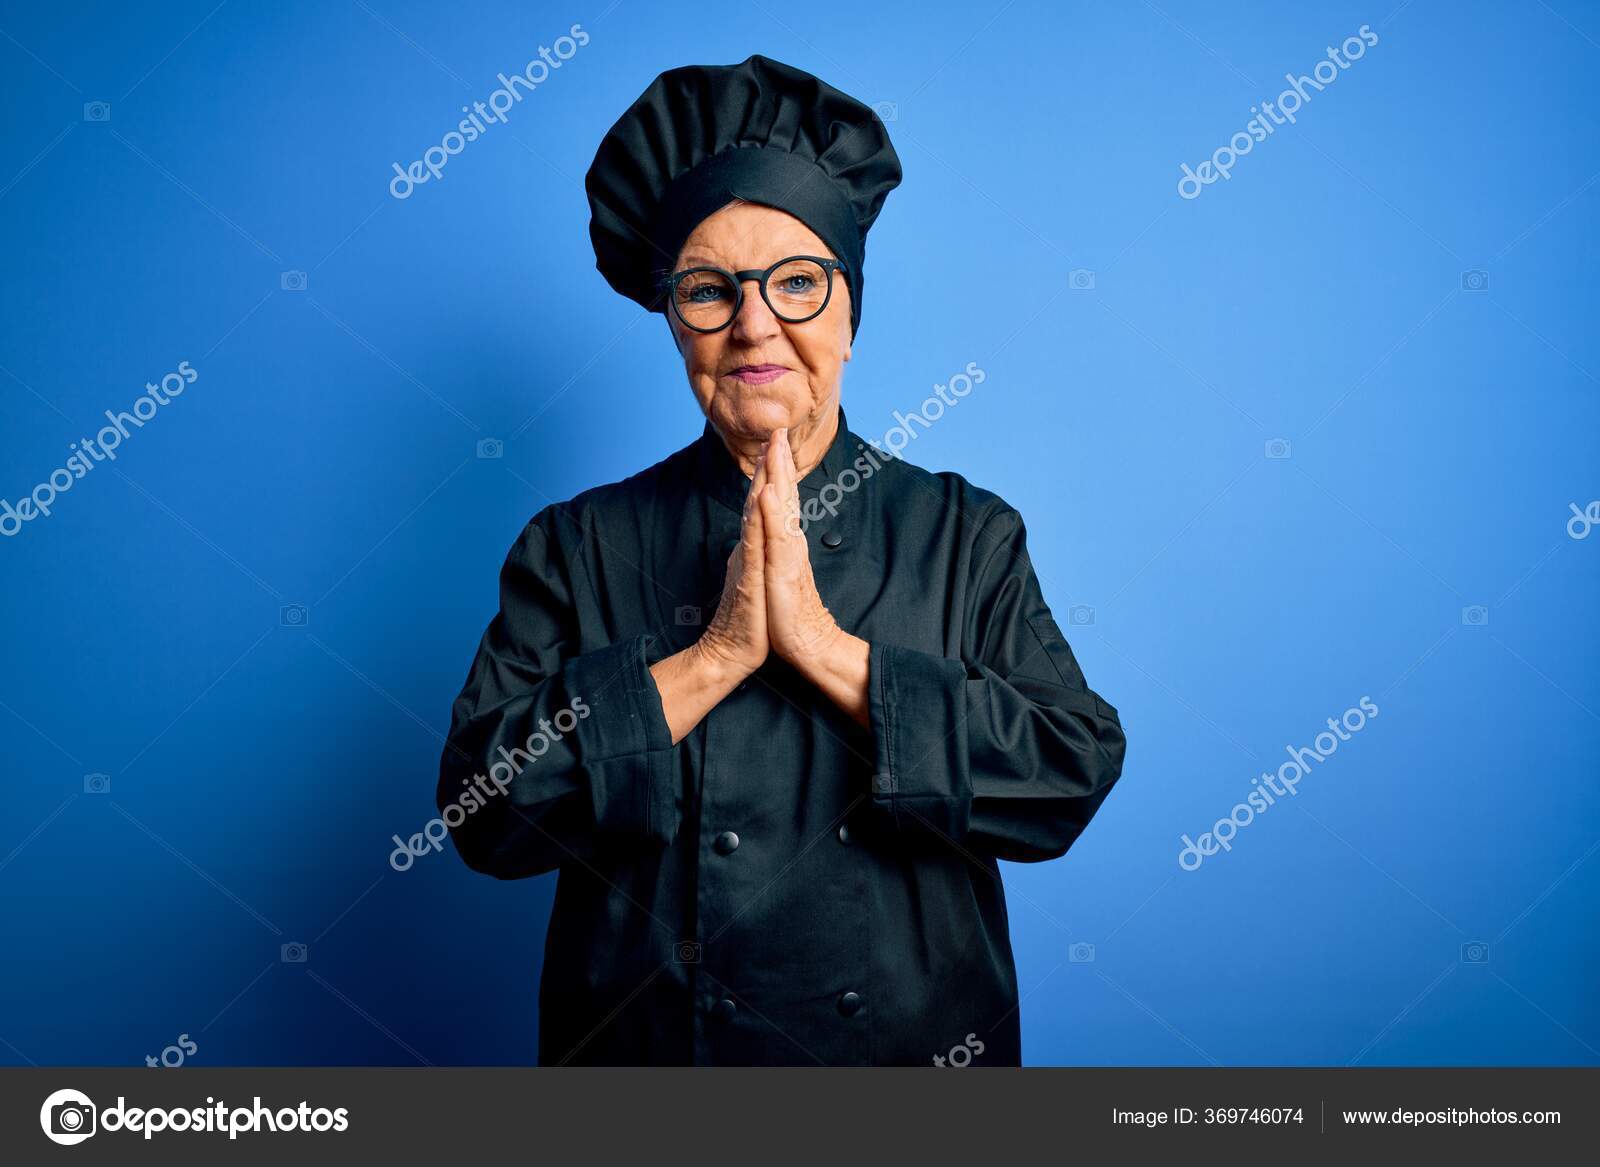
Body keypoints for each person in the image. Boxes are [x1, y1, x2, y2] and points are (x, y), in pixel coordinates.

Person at [438, 54, 1127, 1066]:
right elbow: (483, 814)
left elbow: (1067, 774)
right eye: (709, 290)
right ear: (676, 325)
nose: (755, 324)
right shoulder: (575, 544)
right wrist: (716, 654)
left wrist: (824, 649)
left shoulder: (965, 533)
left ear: (849, 316)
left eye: (797, 283)